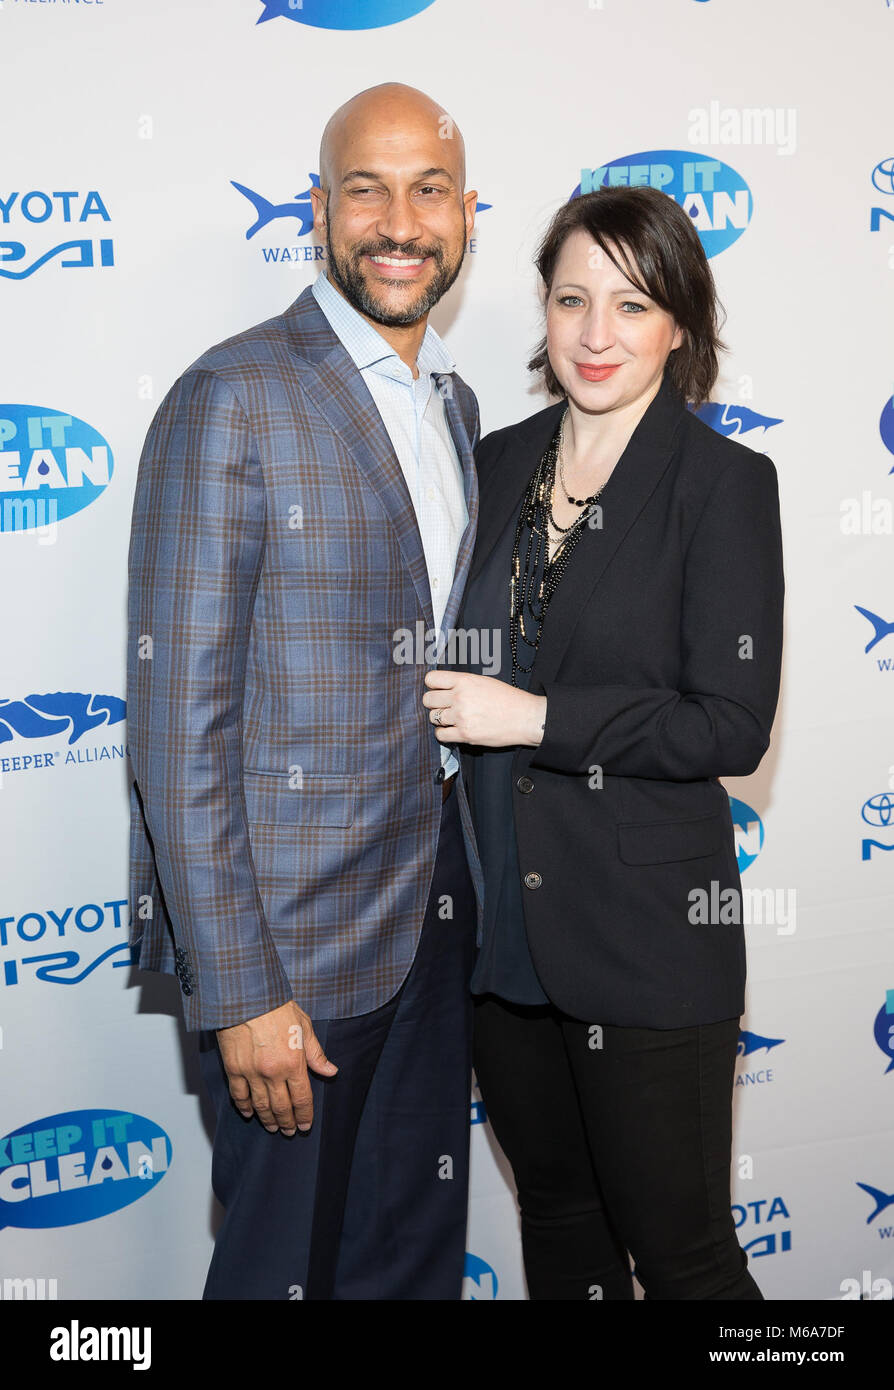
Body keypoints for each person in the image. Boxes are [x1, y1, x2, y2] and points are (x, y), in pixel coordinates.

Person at [127, 82, 483, 1300]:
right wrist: (241, 991)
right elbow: (177, 723)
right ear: (319, 211)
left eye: (429, 190)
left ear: (468, 216)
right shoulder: (233, 394)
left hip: (434, 921)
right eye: (366, 190)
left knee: (409, 1263)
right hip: (293, 952)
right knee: (282, 1273)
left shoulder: (455, 405)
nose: (400, 223)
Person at [424, 185, 785, 1300]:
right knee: (562, 1226)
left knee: (687, 1262)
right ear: (542, 308)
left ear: (680, 325)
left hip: (646, 941)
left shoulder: (723, 484)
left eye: (632, 305)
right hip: (503, 938)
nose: (596, 333)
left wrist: (534, 718)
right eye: (572, 299)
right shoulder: (494, 460)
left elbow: (730, 720)